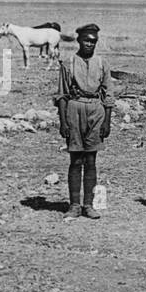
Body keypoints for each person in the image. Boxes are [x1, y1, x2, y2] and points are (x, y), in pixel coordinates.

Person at [54, 23, 113, 220]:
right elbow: (62, 95)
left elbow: (108, 95)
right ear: (79, 40)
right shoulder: (68, 63)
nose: (90, 44)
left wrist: (107, 122)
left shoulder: (102, 63)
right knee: (75, 159)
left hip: (96, 111)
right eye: (86, 40)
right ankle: (74, 205)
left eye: (93, 41)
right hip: (74, 108)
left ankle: (88, 204)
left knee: (91, 160)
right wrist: (63, 122)